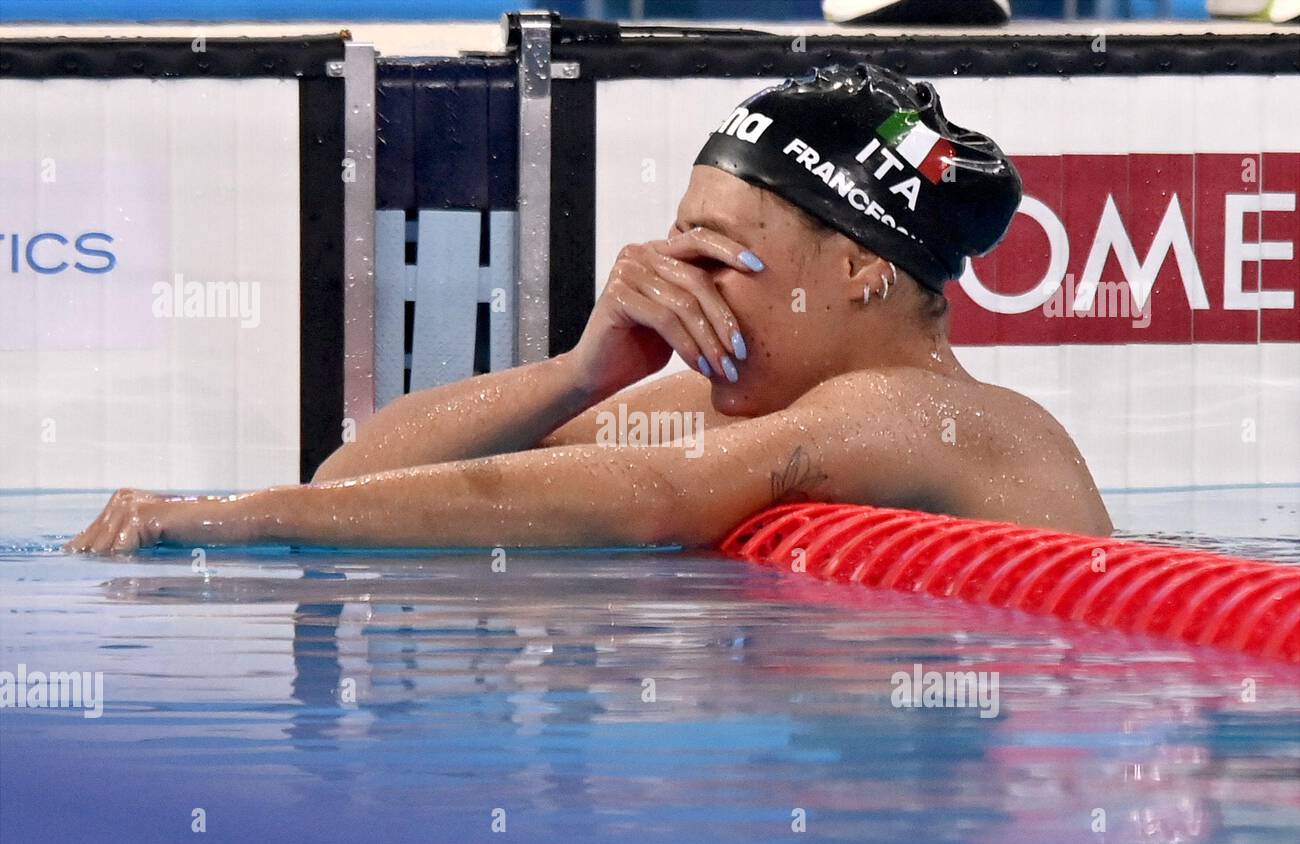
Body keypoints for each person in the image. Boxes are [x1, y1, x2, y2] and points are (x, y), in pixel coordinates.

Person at [68, 64, 1111, 556]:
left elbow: (655, 494)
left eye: (715, 249)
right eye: (673, 244)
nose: (676, 278)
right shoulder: (727, 413)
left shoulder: (928, 414)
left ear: (858, 269)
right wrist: (583, 371)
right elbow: (357, 482)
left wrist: (219, 520)